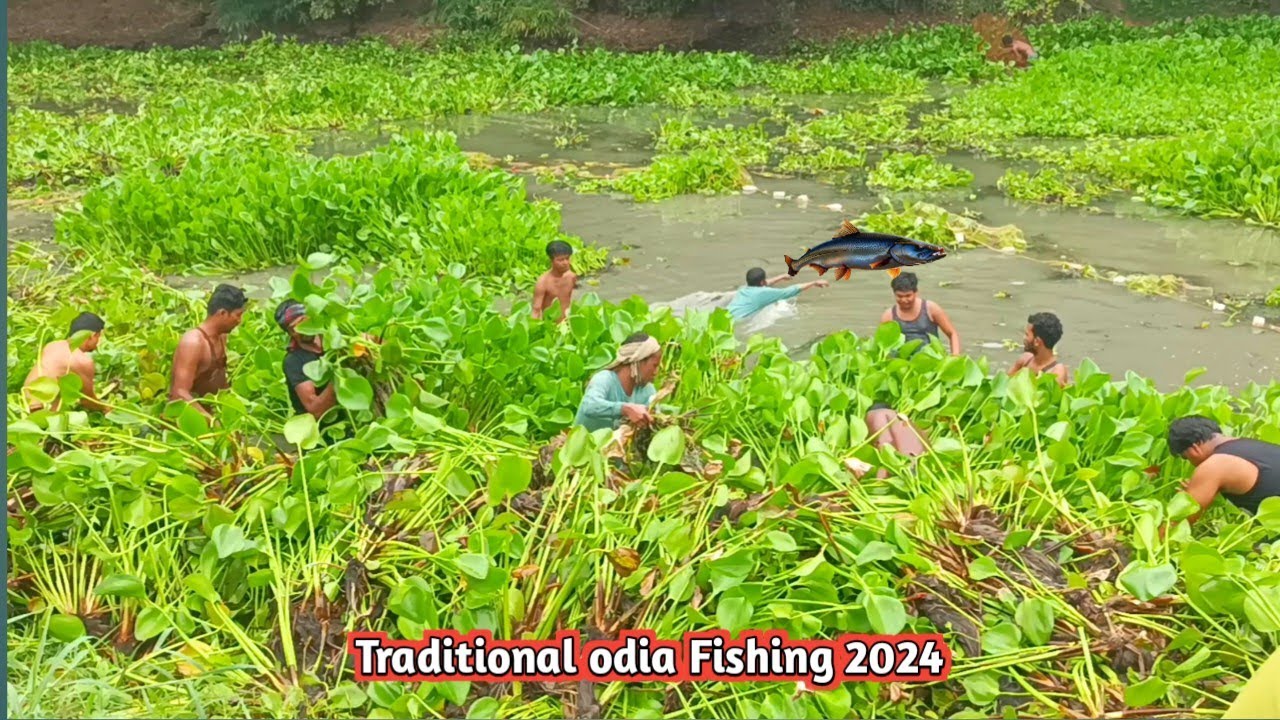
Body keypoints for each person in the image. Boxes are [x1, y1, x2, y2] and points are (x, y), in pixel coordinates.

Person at [1166, 415, 1280, 522]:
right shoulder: (1253, 446)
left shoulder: (1214, 465)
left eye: (1186, 458)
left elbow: (1180, 521)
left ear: (1194, 449)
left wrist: (1188, 500)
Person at [170, 284, 247, 417]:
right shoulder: (193, 343)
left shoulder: (222, 336)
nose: (239, 321)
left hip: (210, 410)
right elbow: (180, 394)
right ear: (222, 313)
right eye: (238, 315)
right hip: (187, 417)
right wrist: (212, 422)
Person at [574, 332, 663, 432]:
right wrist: (625, 409)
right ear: (637, 361)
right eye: (654, 365)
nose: (656, 372)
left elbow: (655, 422)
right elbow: (589, 406)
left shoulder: (648, 390)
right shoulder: (604, 379)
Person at [22, 312, 109, 413]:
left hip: (24, 404)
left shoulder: (52, 346)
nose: (99, 342)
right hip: (43, 411)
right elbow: (87, 401)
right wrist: (107, 409)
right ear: (92, 336)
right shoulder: (83, 361)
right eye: (99, 337)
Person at [276, 300, 338, 421]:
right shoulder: (294, 361)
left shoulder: (335, 338)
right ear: (290, 334)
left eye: (303, 322)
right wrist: (340, 378)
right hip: (320, 429)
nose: (301, 330)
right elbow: (316, 410)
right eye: (294, 328)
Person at [878, 272, 961, 355]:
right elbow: (881, 345)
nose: (904, 300)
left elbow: (952, 333)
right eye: (899, 296)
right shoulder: (888, 316)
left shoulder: (931, 309)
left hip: (930, 359)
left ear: (916, 292)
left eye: (908, 296)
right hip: (901, 362)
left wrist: (955, 357)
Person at [726, 267, 828, 322]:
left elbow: (764, 284)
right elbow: (790, 291)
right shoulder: (763, 293)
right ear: (762, 282)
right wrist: (814, 283)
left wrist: (781, 277)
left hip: (725, 317)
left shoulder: (743, 289)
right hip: (735, 322)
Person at [864, 402, 929, 478]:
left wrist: (882, 478)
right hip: (923, 460)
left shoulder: (877, 416)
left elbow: (885, 443)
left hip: (905, 466)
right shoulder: (901, 418)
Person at [1009, 312, 1069, 387]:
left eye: (1027, 335)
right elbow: (1005, 383)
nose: (1024, 338)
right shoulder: (1025, 360)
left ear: (1037, 341)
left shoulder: (1057, 372)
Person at [532, 241, 578, 322]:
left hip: (568, 324)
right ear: (551, 260)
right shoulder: (543, 282)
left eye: (567, 258)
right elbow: (536, 310)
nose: (565, 263)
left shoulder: (572, 277)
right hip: (551, 327)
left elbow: (568, 300)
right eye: (560, 260)